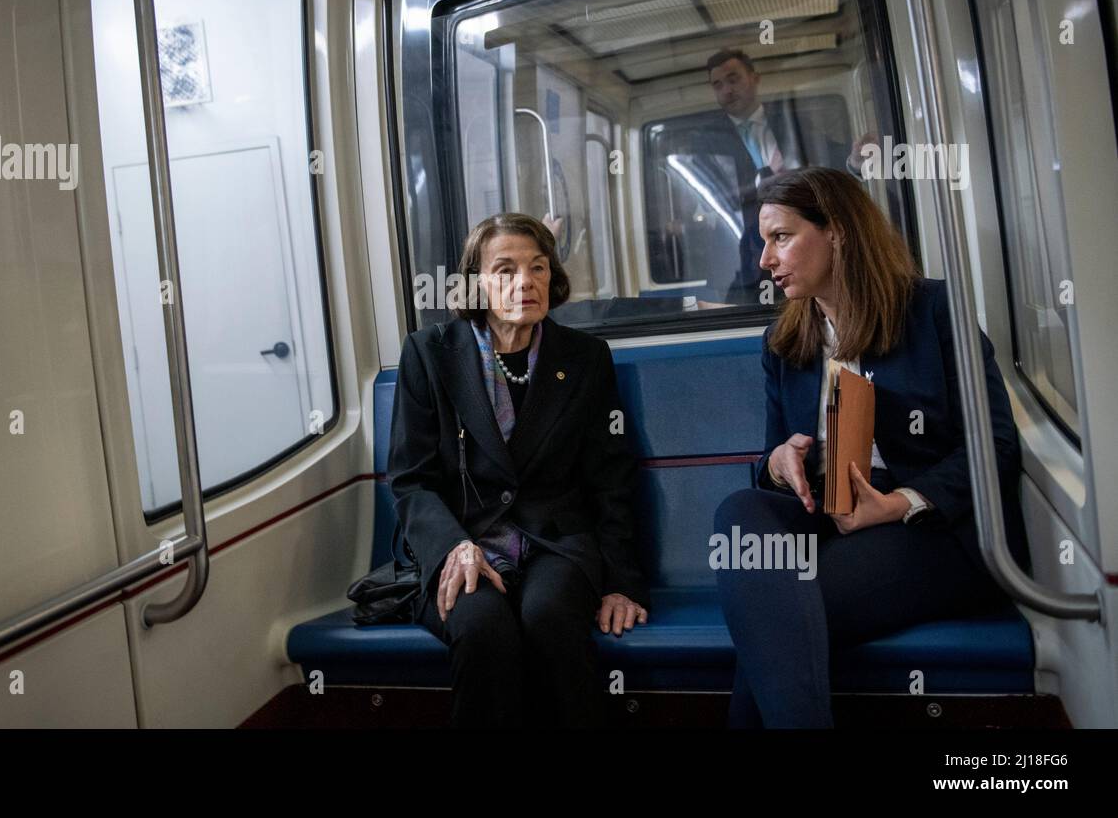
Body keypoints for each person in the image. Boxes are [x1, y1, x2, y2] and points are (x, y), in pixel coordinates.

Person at [712, 166, 1030, 728]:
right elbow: (771, 463)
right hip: (831, 510)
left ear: (836, 230)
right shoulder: (784, 341)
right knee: (740, 510)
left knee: (774, 619)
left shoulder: (932, 311)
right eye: (764, 242)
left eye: (780, 237)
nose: (764, 261)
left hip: (931, 526)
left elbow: (996, 446)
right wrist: (782, 465)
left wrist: (898, 502)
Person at [388, 212, 650, 727]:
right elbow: (411, 479)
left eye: (537, 267)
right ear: (476, 282)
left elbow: (610, 479)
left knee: (549, 619)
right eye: (505, 269)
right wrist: (451, 546)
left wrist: (623, 582)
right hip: (461, 543)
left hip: (556, 542)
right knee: (483, 628)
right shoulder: (429, 354)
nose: (525, 282)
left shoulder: (585, 358)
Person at [663, 49, 875, 302]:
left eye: (733, 79)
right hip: (741, 260)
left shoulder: (791, 122)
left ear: (754, 78)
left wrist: (854, 161)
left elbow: (830, 164)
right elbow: (713, 198)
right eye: (717, 85)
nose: (727, 90)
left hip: (803, 252)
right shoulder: (703, 140)